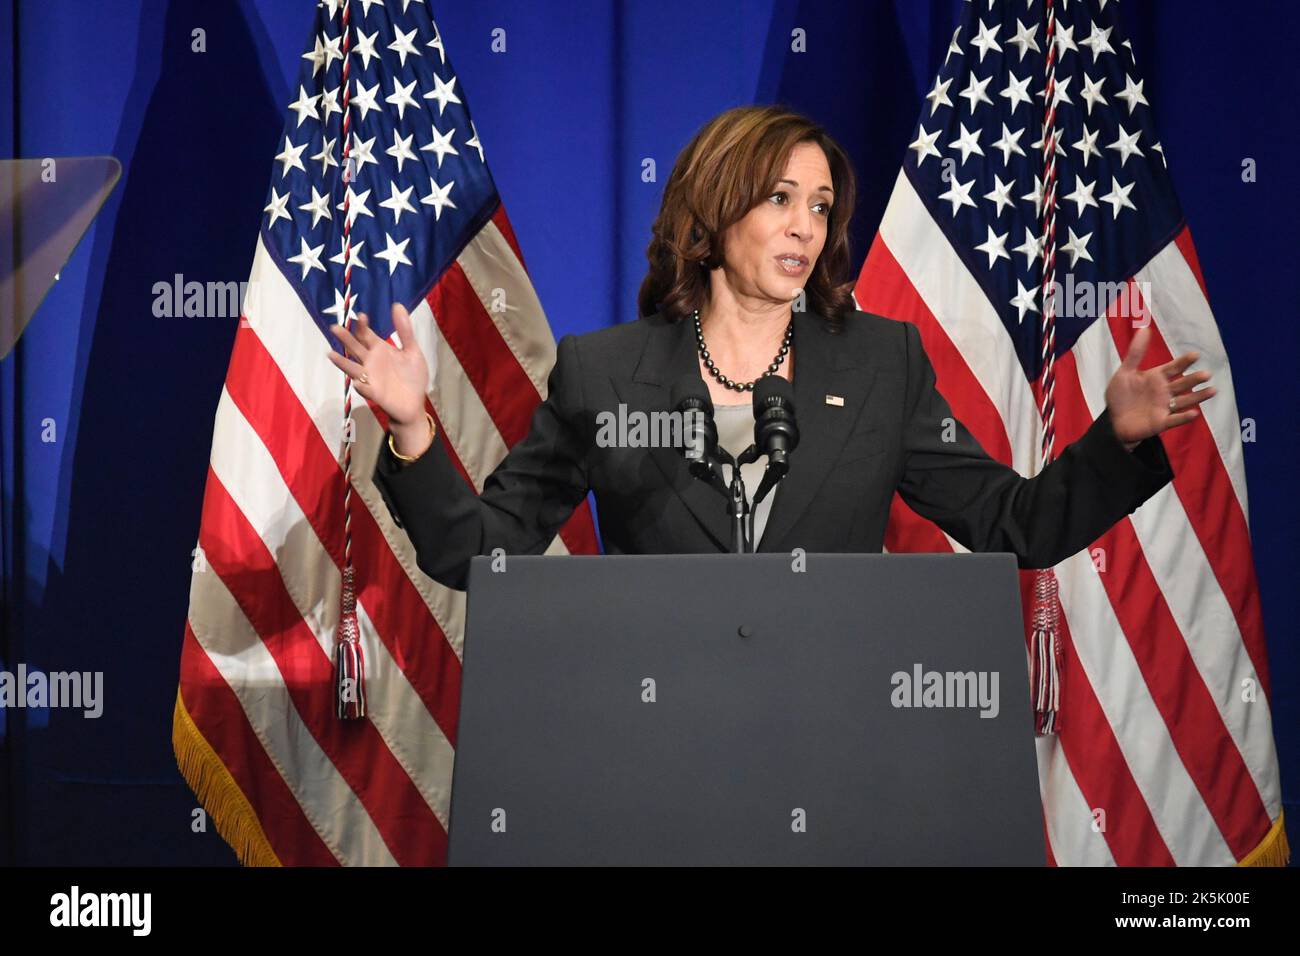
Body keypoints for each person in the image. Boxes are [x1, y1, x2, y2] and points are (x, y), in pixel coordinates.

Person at [326, 105, 1214, 592]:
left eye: (821, 207)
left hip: (834, 744)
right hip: (658, 744)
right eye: (781, 199)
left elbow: (1012, 524)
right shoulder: (604, 373)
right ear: (715, 211)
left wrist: (1117, 436)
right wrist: (412, 429)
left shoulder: (881, 364)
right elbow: (480, 555)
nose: (804, 228)